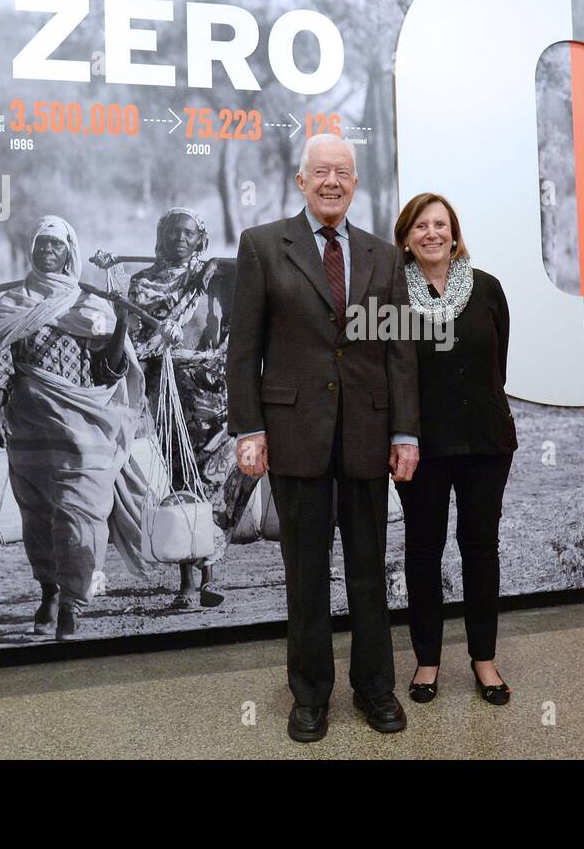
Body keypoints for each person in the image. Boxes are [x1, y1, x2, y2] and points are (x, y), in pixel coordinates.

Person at [227, 133, 420, 742]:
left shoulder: (383, 257)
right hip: (294, 437)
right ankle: (309, 697)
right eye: (321, 172)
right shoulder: (262, 247)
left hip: (366, 436)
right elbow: (243, 351)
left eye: (343, 171)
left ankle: (375, 690)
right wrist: (250, 429)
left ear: (355, 183)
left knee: (368, 571)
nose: (332, 181)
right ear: (301, 180)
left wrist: (405, 432)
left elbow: (400, 353)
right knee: (305, 574)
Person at [0, 216, 146, 641]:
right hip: (29, 423)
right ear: (32, 250)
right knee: (37, 513)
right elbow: (0, 362)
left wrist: (122, 321)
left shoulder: (88, 307)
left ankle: (73, 602)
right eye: (41, 244)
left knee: (79, 511)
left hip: (80, 424)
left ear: (69, 251)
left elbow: (108, 369)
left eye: (56, 245)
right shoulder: (13, 303)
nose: (47, 252)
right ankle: (49, 593)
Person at [391, 193, 518, 706]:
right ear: (406, 237)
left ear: (454, 232)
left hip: (486, 442)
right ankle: (427, 661)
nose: (432, 234)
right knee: (424, 553)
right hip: (421, 447)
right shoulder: (390, 297)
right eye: (420, 226)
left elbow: (498, 363)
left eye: (440, 224)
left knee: (481, 551)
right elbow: (386, 374)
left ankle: (484, 660)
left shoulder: (487, 288)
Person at [120, 208, 257, 609]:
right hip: (168, 393)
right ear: (160, 239)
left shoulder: (216, 279)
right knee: (182, 480)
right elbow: (136, 343)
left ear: (201, 240)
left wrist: (217, 264)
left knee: (222, 477)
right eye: (173, 233)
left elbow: (262, 265)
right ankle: (191, 581)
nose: (180, 239)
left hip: (216, 394)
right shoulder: (141, 284)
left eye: (189, 233)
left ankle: (209, 563)